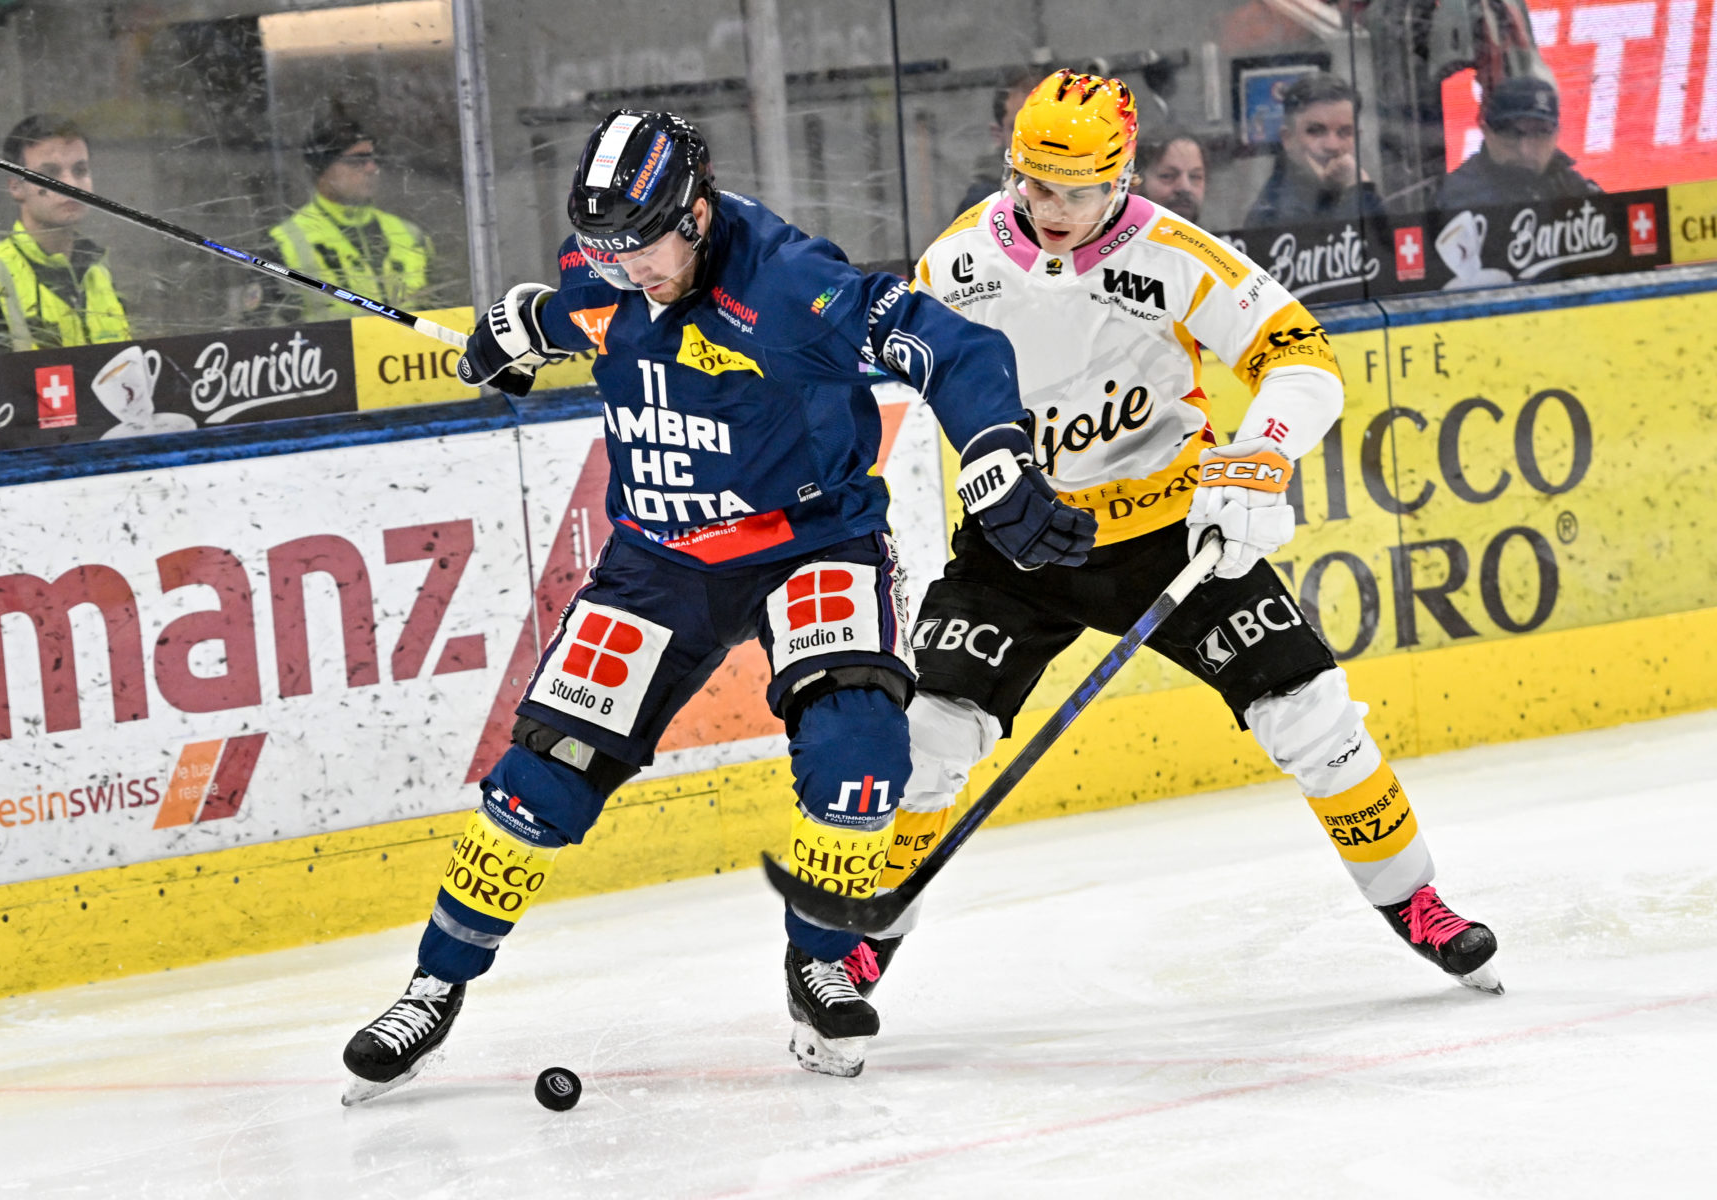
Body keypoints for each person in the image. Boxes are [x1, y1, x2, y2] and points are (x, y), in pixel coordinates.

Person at [338, 109, 1095, 1100]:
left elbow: (950, 345)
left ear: (696, 213)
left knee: (860, 752)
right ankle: (433, 989)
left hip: (809, 539)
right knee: (540, 781)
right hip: (659, 563)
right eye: (605, 253)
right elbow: (568, 309)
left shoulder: (788, 282)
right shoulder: (614, 269)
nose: (627, 270)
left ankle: (818, 960)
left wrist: (994, 450)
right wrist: (513, 328)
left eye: (644, 246)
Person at [871, 70, 1500, 1003]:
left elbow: (1299, 354)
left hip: (1173, 534)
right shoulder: (957, 263)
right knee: (928, 739)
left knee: (1310, 714)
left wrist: (1260, 459)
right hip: (1016, 546)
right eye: (1039, 185)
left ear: (1122, 176)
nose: (1055, 209)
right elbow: (888, 386)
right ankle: (861, 945)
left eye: (1080, 190)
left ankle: (1414, 902)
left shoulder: (1174, 253)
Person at [0, 114, 131, 357]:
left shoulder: (99, 270)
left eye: (80, 170)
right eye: (50, 174)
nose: (70, 183)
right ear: (16, 187)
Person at [251, 109, 434, 325]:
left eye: (373, 158)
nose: (371, 168)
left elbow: (439, 311)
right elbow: (263, 334)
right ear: (323, 169)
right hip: (332, 356)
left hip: (407, 356)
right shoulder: (284, 241)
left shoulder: (410, 234)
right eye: (358, 160)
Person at [1436, 76, 1599, 211]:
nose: (1525, 150)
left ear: (1557, 134)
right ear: (1486, 132)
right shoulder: (1453, 201)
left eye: (1540, 133)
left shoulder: (1576, 191)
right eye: (1510, 134)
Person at [1243, 72, 1386, 226]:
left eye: (1345, 132)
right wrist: (1359, 190)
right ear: (1288, 139)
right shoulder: (1275, 210)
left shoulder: (1342, 188)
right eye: (1316, 131)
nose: (1332, 146)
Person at [954, 66, 1059, 217]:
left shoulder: (1095, 196)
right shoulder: (980, 208)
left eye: (1047, 127)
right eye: (1018, 128)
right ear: (998, 134)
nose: (1034, 141)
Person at [1134, 129, 1207, 222]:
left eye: (1195, 177)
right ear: (1135, 183)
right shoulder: (1114, 235)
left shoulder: (1215, 236)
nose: (1185, 187)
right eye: (1168, 176)